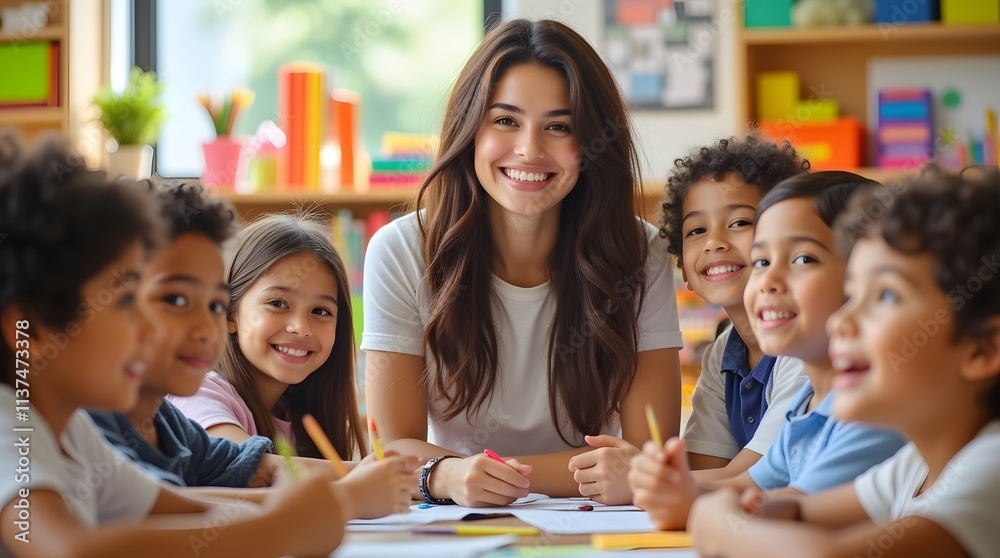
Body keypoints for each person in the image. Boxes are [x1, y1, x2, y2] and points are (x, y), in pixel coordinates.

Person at [362, 18, 684, 507]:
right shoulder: (402, 250)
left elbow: (645, 455)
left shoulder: (641, 253)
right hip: (457, 522)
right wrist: (448, 477)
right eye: (505, 120)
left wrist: (464, 471)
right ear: (470, 129)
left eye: (559, 126)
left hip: (595, 524)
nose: (530, 150)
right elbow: (389, 450)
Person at [0, 131, 344, 557]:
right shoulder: (8, 425)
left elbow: (190, 511)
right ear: (32, 330)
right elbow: (70, 551)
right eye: (126, 300)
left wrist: (298, 513)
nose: (149, 327)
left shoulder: (73, 431)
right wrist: (281, 529)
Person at [690, 167, 1000, 558]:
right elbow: (795, 509)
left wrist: (720, 520)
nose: (842, 321)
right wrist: (751, 513)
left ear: (981, 350)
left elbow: (821, 555)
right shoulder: (915, 465)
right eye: (852, 293)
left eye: (885, 297)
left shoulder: (990, 468)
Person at [92, 182, 414, 519]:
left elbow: (254, 471)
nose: (206, 327)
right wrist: (343, 499)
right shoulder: (90, 423)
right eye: (176, 300)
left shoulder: (172, 426)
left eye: (214, 305)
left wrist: (384, 481)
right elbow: (166, 508)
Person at [631, 172, 906, 529]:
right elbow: (753, 490)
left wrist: (698, 506)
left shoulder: (873, 412)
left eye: (804, 259)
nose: (768, 282)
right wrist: (668, 487)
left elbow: (797, 525)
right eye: (762, 261)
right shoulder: (805, 404)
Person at [655, 133, 811, 478]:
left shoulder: (807, 342)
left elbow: (751, 477)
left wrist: (645, 481)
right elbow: (703, 468)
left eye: (740, 222)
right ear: (682, 265)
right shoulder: (723, 353)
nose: (714, 243)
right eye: (696, 230)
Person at [172, 213, 368, 463]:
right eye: (278, 303)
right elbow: (254, 467)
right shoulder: (198, 392)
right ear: (229, 314)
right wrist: (361, 474)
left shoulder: (298, 418)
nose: (301, 327)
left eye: (320, 311)